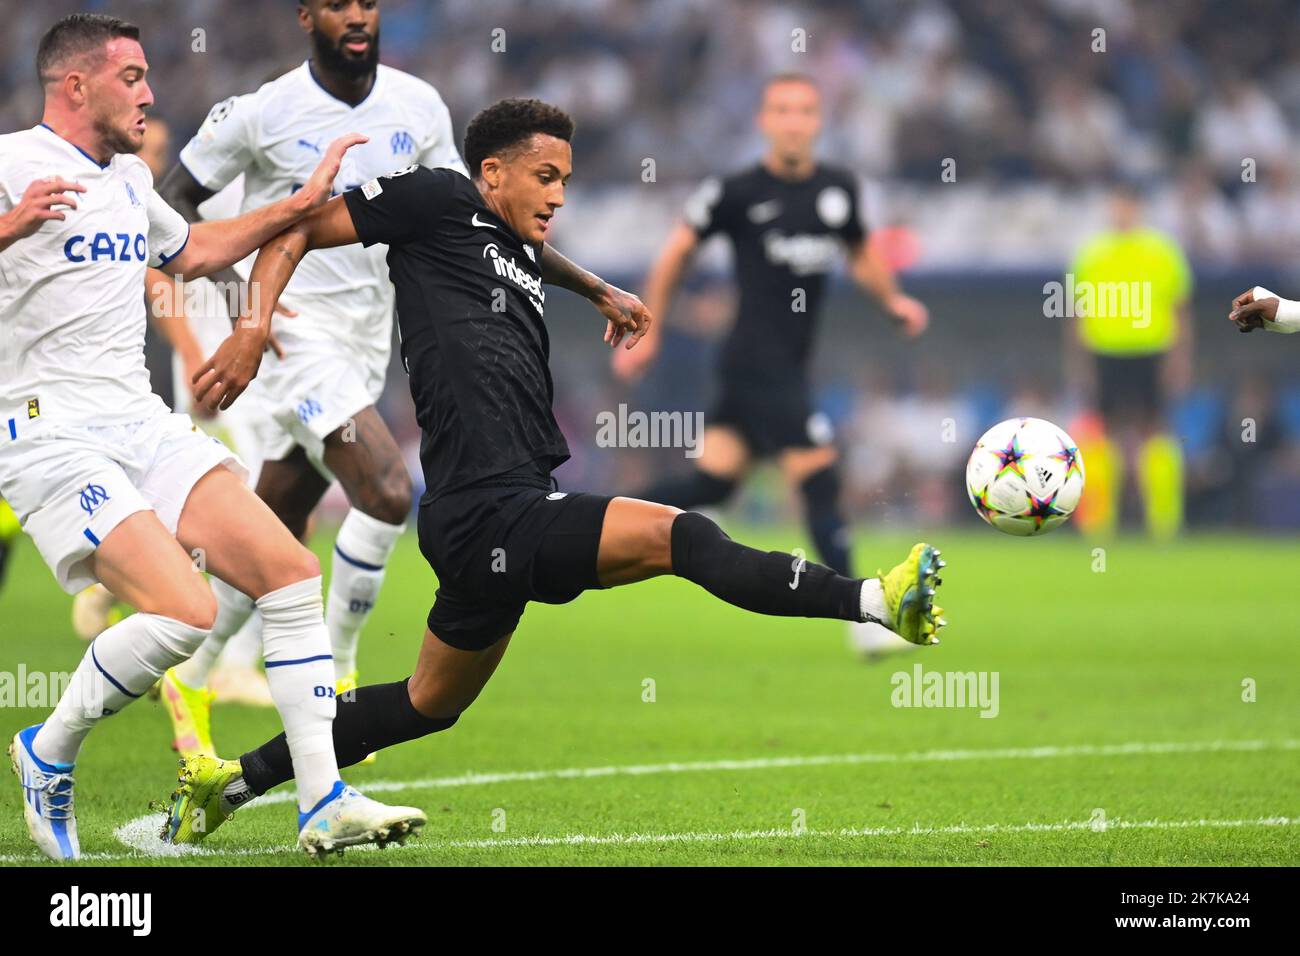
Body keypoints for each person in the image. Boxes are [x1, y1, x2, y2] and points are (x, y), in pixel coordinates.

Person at [162, 98, 947, 844]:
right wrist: (250, 327)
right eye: (546, 177)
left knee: (428, 703)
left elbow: (536, 253)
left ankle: (226, 785)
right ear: (492, 172)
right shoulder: (435, 198)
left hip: (488, 515)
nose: (560, 194)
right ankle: (875, 601)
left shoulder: (513, 248)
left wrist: (599, 289)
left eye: (567, 181)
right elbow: (296, 230)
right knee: (686, 537)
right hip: (492, 506)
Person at [0, 13, 422, 859]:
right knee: (187, 612)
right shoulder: (9, 163)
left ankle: (321, 801)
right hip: (48, 433)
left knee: (290, 574)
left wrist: (296, 207)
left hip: (140, 421)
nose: (150, 93)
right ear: (74, 84)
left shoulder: (124, 177)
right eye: (131, 78)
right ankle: (49, 751)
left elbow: (191, 250)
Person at [151, 0, 468, 757]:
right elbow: (172, 200)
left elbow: (457, 208)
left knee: (280, 513)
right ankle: (341, 673)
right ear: (306, 17)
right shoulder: (262, 112)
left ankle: (188, 671)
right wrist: (241, 302)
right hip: (292, 335)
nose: (355, 16)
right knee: (388, 491)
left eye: (366, 2)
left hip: (366, 335)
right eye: (336, 4)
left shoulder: (419, 105)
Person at [612, 74, 930, 659]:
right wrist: (648, 324)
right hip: (756, 361)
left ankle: (599, 519)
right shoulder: (735, 192)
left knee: (713, 482)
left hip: (786, 364)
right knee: (819, 475)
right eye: (781, 109)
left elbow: (861, 254)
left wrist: (893, 301)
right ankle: (863, 615)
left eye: (804, 110)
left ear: (817, 121)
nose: (793, 120)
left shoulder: (837, 191)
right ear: (764, 120)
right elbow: (679, 247)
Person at [1065, 182, 1193, 540]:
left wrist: (1179, 358)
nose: (1121, 211)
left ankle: (1164, 522)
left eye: (1127, 205)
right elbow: (1076, 311)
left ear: (1138, 208)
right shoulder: (1091, 252)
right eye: (1116, 204)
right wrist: (1079, 362)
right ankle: (1099, 522)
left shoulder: (1162, 251)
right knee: (1102, 432)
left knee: (1155, 429)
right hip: (1105, 351)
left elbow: (1179, 308)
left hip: (1151, 349)